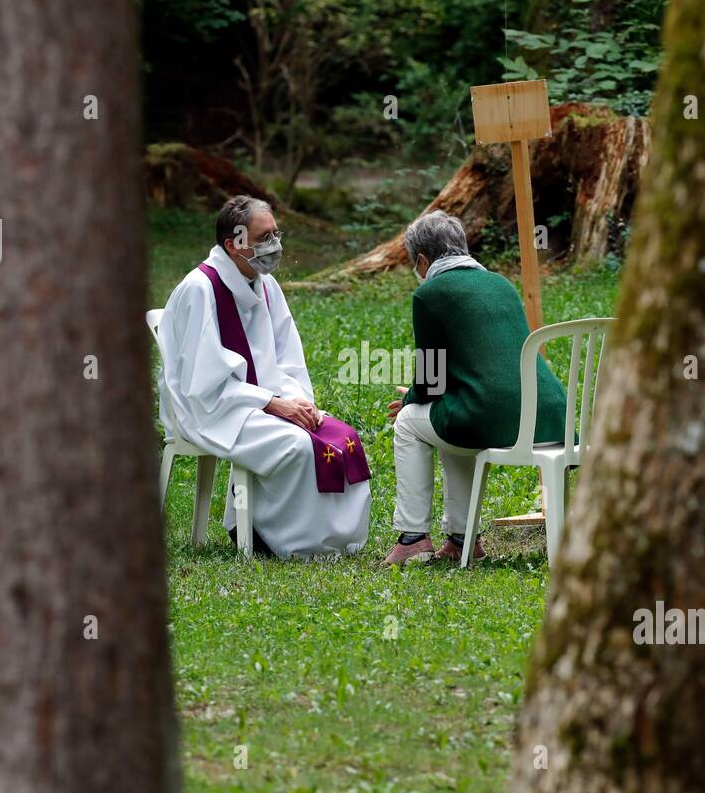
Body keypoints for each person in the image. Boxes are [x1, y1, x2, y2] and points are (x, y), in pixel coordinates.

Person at [158, 195, 371, 558]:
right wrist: (271, 404)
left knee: (341, 436)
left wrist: (297, 399)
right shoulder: (200, 288)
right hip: (211, 408)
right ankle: (270, 537)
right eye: (264, 238)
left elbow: (286, 353)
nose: (275, 246)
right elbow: (201, 381)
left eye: (276, 234)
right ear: (233, 244)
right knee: (298, 445)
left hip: (260, 400)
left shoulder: (265, 281)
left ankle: (335, 542)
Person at [384, 210, 567, 565]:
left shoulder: (431, 293)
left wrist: (410, 399)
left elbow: (432, 376)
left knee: (409, 423)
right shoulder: (501, 284)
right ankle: (461, 539)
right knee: (451, 417)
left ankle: (412, 538)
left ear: (422, 260)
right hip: (548, 416)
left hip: (492, 419)